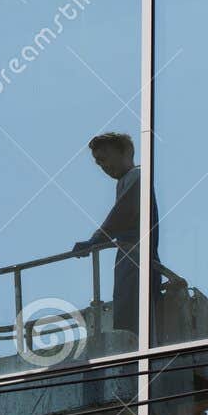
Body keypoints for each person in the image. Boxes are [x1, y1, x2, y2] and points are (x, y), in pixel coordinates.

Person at [73, 131, 158, 334]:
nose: (102, 166)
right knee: (128, 313)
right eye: (98, 162)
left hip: (137, 257)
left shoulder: (136, 176)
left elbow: (123, 213)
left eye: (104, 158)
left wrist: (95, 240)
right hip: (129, 256)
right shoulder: (126, 180)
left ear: (126, 152)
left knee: (132, 324)